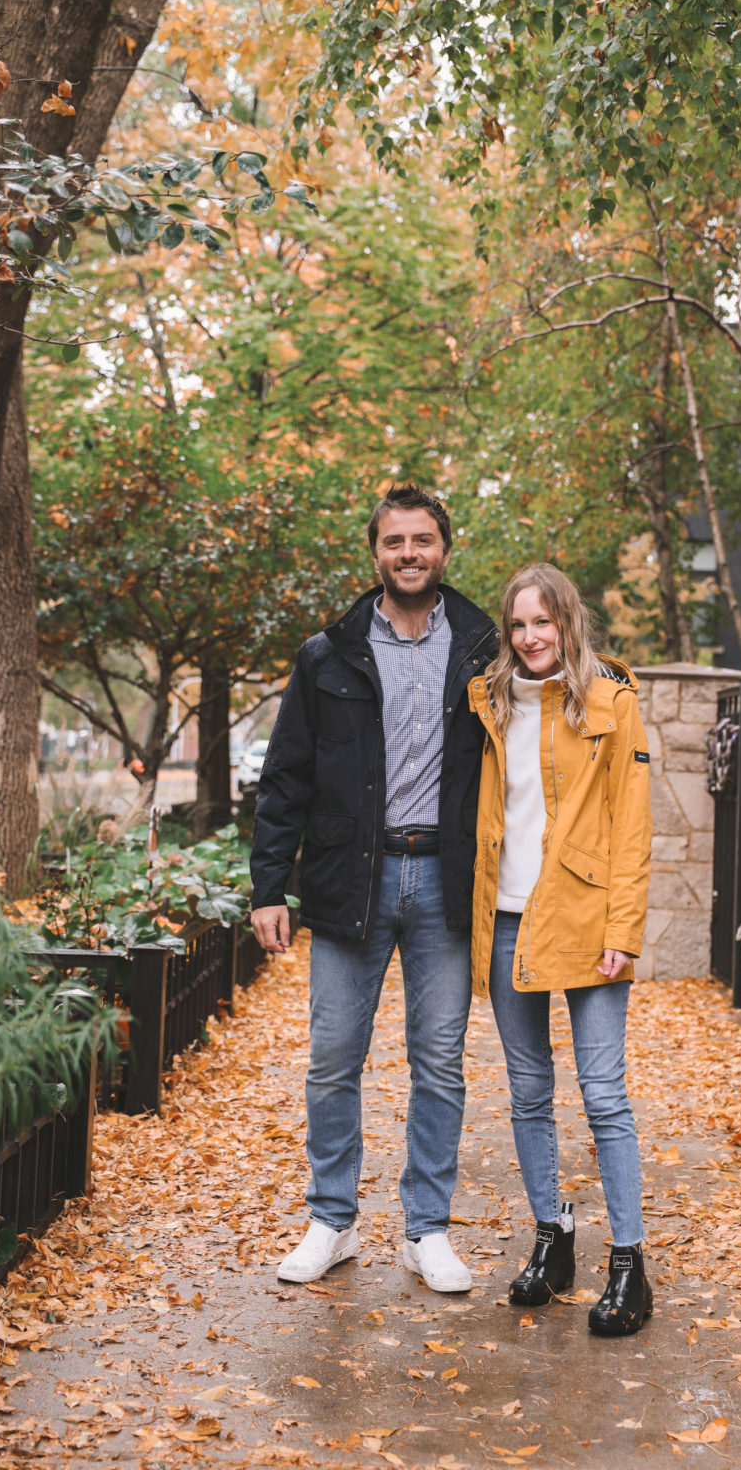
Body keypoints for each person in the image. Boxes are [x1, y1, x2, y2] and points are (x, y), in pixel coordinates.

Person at [250, 484, 498, 1293]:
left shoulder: (483, 647)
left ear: (444, 549)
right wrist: (267, 888)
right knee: (332, 1059)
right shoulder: (329, 653)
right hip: (350, 876)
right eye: (395, 542)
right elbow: (285, 776)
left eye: (423, 540)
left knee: (439, 1062)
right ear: (376, 553)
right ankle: (334, 1220)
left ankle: (426, 1230)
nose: (410, 554)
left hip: (445, 881)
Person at [467, 562, 653, 1336]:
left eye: (543, 622)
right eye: (518, 624)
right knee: (529, 1090)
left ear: (567, 623)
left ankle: (630, 1264)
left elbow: (632, 828)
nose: (531, 636)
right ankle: (554, 1237)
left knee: (604, 1095)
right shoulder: (490, 701)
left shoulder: (611, 702)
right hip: (510, 919)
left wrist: (623, 932)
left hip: (586, 919)